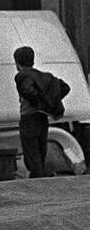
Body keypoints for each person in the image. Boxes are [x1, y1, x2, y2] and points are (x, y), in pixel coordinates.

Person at [13, 45, 70, 179]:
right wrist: (49, 103)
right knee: (40, 151)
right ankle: (40, 178)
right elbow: (65, 87)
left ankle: (38, 182)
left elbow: (28, 90)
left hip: (29, 118)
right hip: (42, 118)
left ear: (17, 62)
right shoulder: (46, 76)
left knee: (32, 156)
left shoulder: (21, 76)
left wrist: (37, 103)